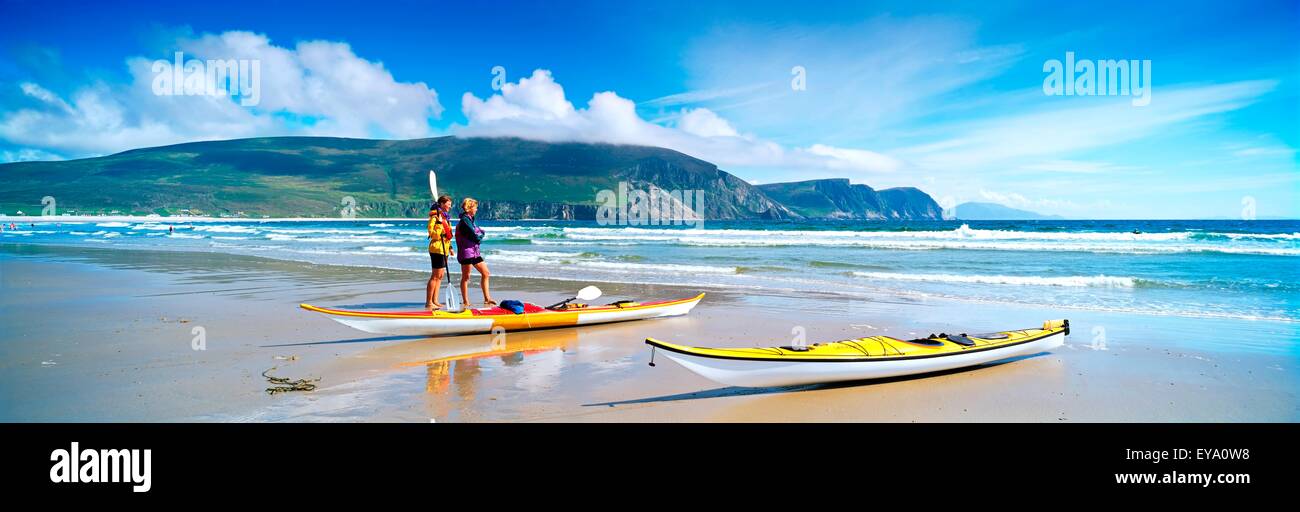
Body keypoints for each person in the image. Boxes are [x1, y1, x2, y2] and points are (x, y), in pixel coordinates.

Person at [455, 198, 496, 306]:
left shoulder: (470, 219)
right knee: (466, 277)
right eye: (475, 207)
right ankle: (466, 301)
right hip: (466, 253)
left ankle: (487, 298)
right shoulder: (465, 220)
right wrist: (481, 235)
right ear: (469, 208)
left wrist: (480, 234)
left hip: (474, 252)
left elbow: (477, 233)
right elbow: (475, 236)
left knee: (486, 273)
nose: (477, 209)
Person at [425, 195, 454, 310]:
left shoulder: (445, 218)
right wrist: (439, 224)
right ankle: (428, 302)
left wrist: (450, 247)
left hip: (445, 248)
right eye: (448, 204)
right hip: (437, 248)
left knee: (440, 276)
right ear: (442, 204)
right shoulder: (435, 217)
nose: (450, 207)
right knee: (435, 276)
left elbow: (447, 234)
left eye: (450, 205)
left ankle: (435, 300)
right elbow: (432, 234)